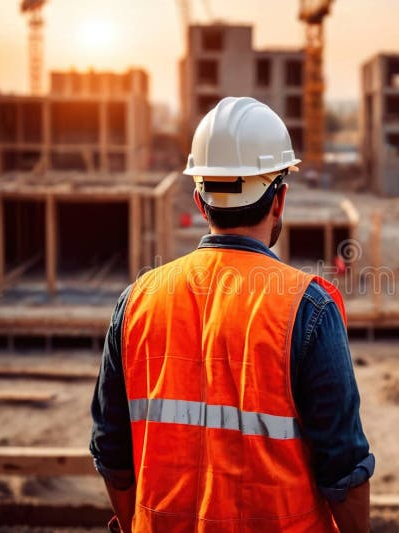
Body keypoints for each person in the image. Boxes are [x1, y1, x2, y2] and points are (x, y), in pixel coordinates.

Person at [90, 96, 374, 532]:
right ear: (278, 200)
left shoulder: (136, 303)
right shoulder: (306, 309)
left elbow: (111, 453)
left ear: (200, 202)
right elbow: (345, 470)